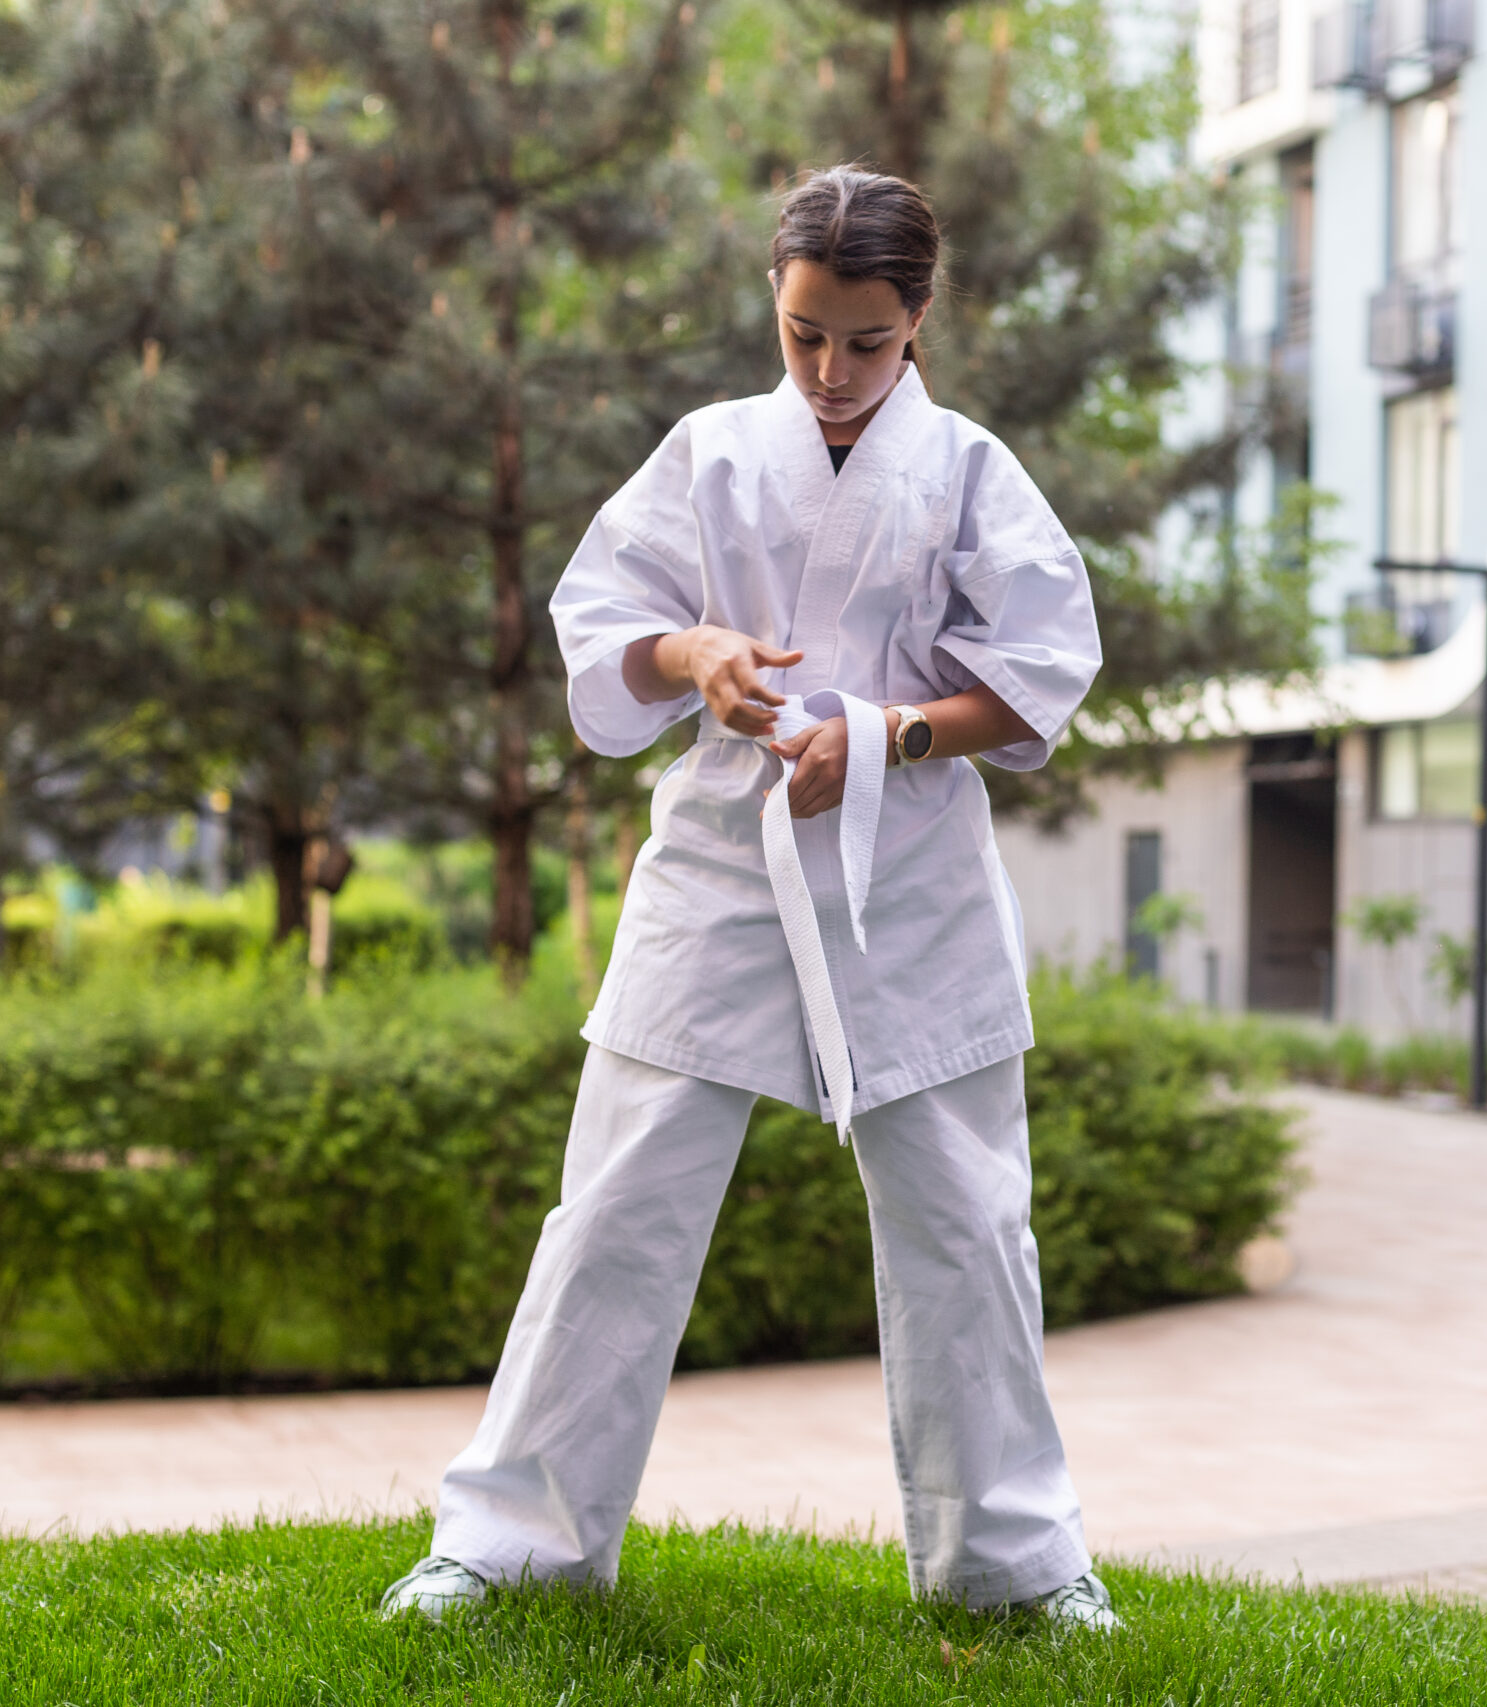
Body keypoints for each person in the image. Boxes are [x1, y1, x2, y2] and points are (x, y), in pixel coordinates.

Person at [378, 167, 1116, 1632]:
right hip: (723, 858)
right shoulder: (710, 454)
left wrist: (892, 731)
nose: (834, 376)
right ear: (775, 309)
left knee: (970, 1223)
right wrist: (694, 651)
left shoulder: (968, 469)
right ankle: (509, 1544)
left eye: (868, 343)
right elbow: (605, 624)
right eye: (804, 338)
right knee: (615, 1206)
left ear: (919, 324)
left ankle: (1015, 1571)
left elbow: (1040, 673)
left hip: (906, 877)